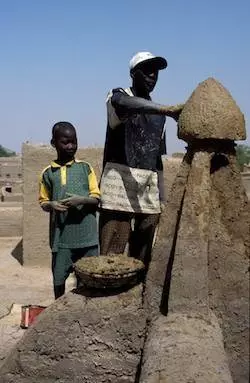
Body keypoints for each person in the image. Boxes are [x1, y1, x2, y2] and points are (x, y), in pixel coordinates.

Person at [99, 51, 183, 269]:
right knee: (113, 246)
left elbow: (157, 159)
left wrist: (161, 198)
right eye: (146, 71)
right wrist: (166, 109)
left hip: (147, 183)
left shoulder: (159, 116)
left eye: (155, 72)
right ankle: (110, 292)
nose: (152, 76)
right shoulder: (118, 95)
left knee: (144, 245)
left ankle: (136, 289)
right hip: (119, 180)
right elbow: (124, 104)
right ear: (133, 74)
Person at [39, 121, 100, 299]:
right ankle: (58, 307)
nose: (71, 146)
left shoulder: (85, 168)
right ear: (54, 143)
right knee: (59, 279)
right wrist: (51, 205)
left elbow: (97, 198)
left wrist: (81, 200)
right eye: (65, 142)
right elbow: (43, 201)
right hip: (62, 237)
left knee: (88, 277)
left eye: (74, 141)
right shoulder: (47, 173)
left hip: (87, 237)